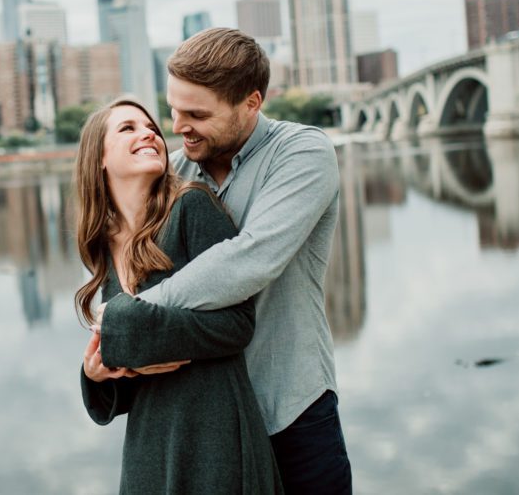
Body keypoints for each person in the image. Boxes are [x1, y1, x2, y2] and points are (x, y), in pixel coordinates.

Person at [97, 28, 352, 494]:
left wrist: (133, 317)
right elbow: (123, 269)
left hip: (291, 413)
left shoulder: (302, 152)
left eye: (197, 114)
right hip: (204, 431)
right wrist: (103, 354)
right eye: (173, 109)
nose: (177, 126)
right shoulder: (169, 172)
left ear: (251, 103)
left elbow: (249, 258)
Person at [76, 98, 283, 495]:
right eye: (128, 128)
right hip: (149, 444)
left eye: (150, 126)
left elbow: (237, 325)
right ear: (98, 158)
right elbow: (124, 349)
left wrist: (129, 328)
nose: (149, 133)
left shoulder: (192, 205)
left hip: (214, 434)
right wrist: (97, 373)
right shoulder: (104, 245)